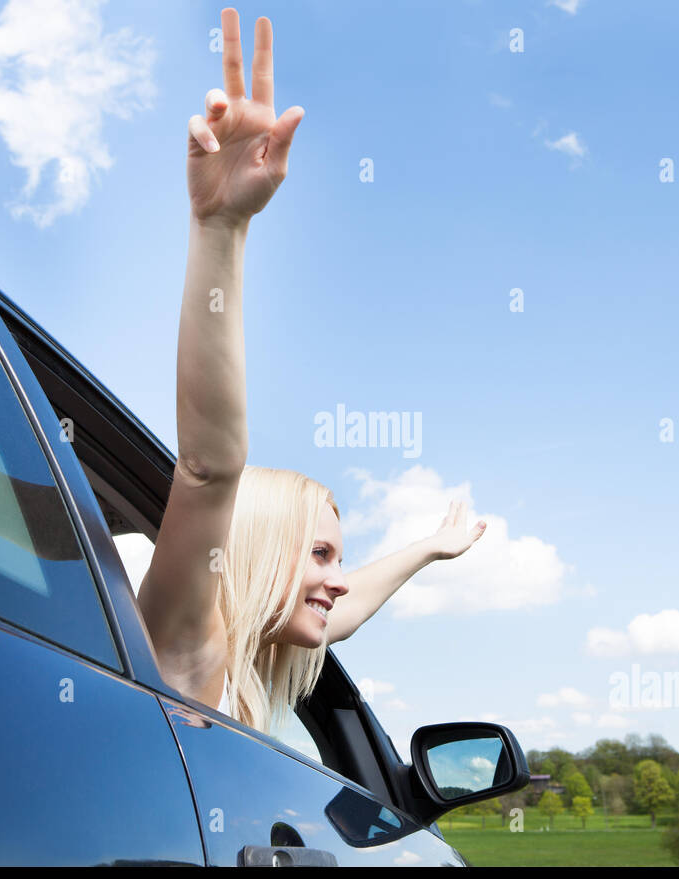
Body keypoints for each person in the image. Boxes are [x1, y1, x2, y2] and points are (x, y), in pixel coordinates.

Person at [137, 8, 486, 733]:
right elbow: (208, 470)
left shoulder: (254, 672)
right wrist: (220, 228)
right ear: (259, 550)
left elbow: (345, 608)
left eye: (336, 558)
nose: (336, 579)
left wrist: (429, 548)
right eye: (320, 553)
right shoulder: (191, 653)